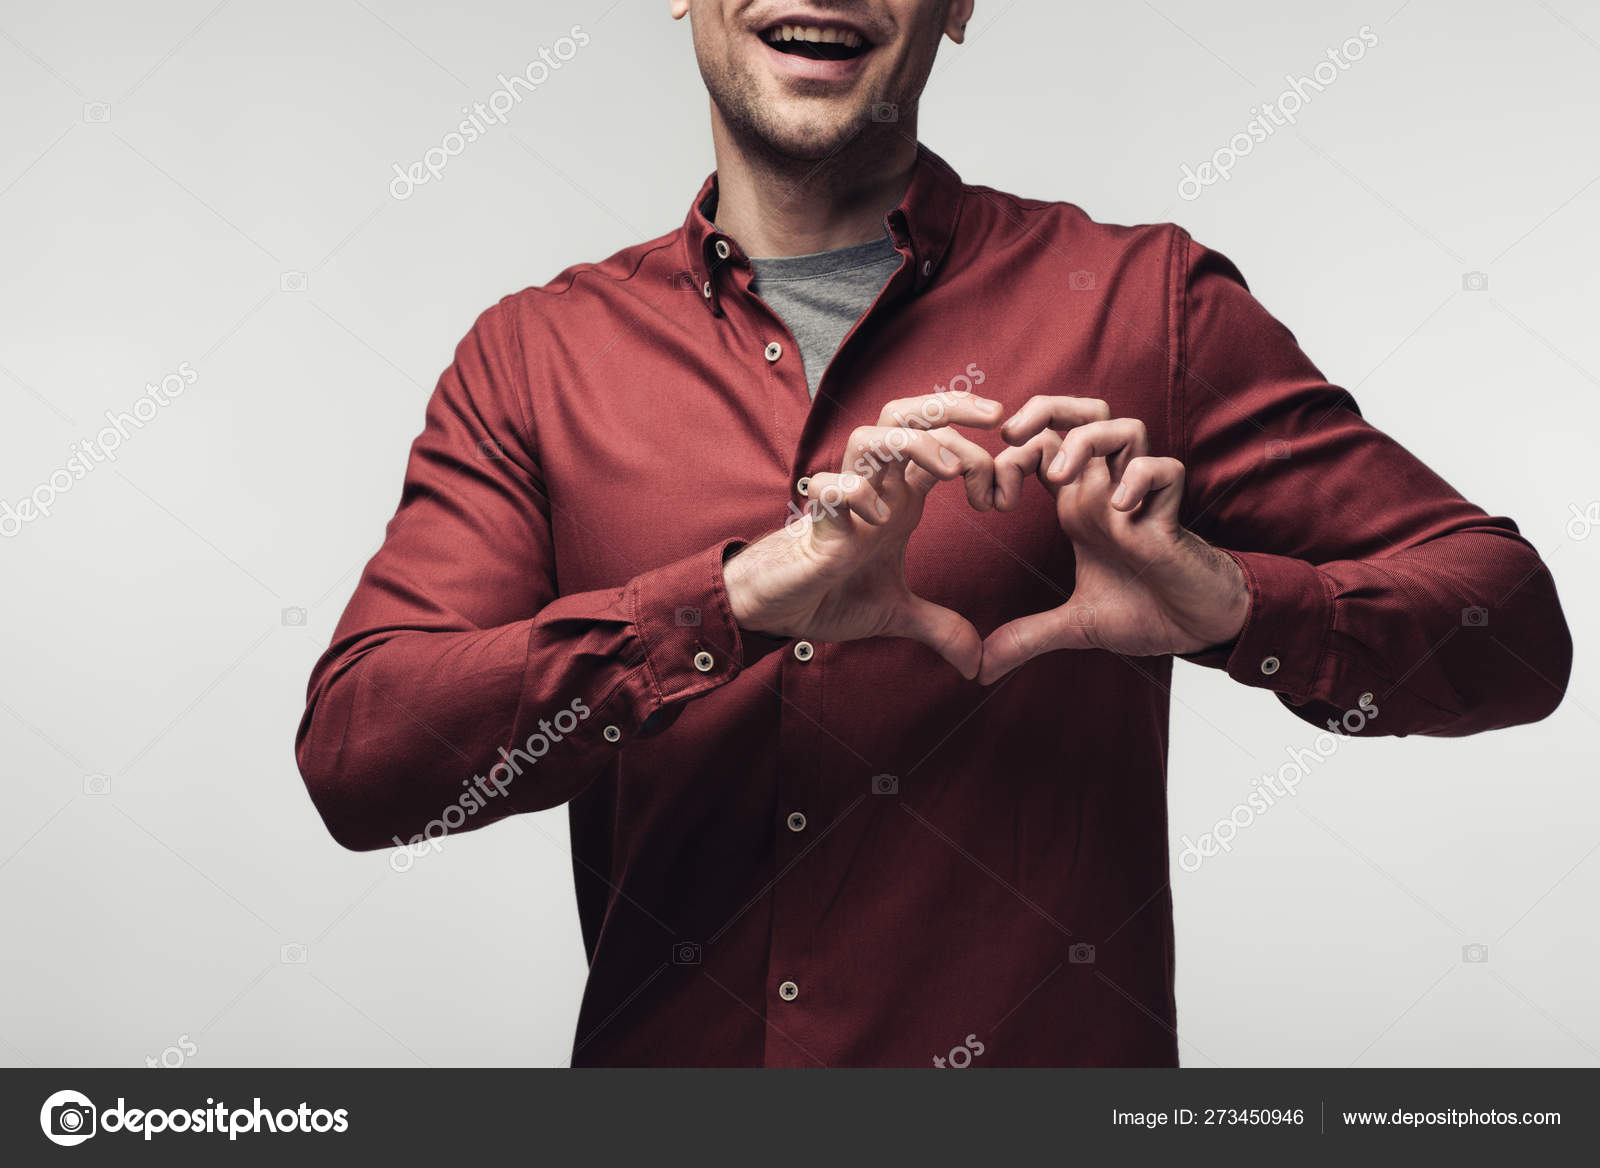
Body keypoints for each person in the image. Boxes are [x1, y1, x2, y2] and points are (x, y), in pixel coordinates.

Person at [296, 2, 1572, 1066]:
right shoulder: (537, 357)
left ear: (960, 4)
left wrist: (1238, 603)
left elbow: (1510, 632)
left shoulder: (1148, 306)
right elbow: (363, 759)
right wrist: (729, 601)